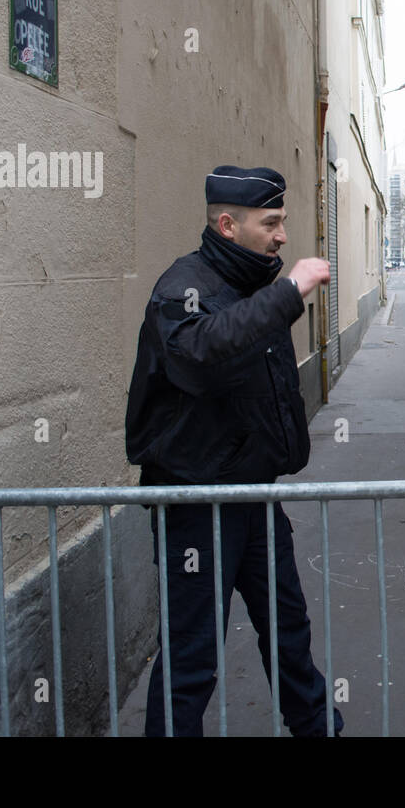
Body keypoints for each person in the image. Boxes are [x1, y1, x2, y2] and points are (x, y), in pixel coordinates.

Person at [125, 164, 344, 737]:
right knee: (192, 655)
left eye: (282, 222)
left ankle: (318, 727)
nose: (281, 236)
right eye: (271, 223)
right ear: (228, 224)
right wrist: (288, 292)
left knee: (287, 628)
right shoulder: (184, 287)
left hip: (251, 495)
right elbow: (201, 351)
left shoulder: (250, 286)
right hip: (196, 505)